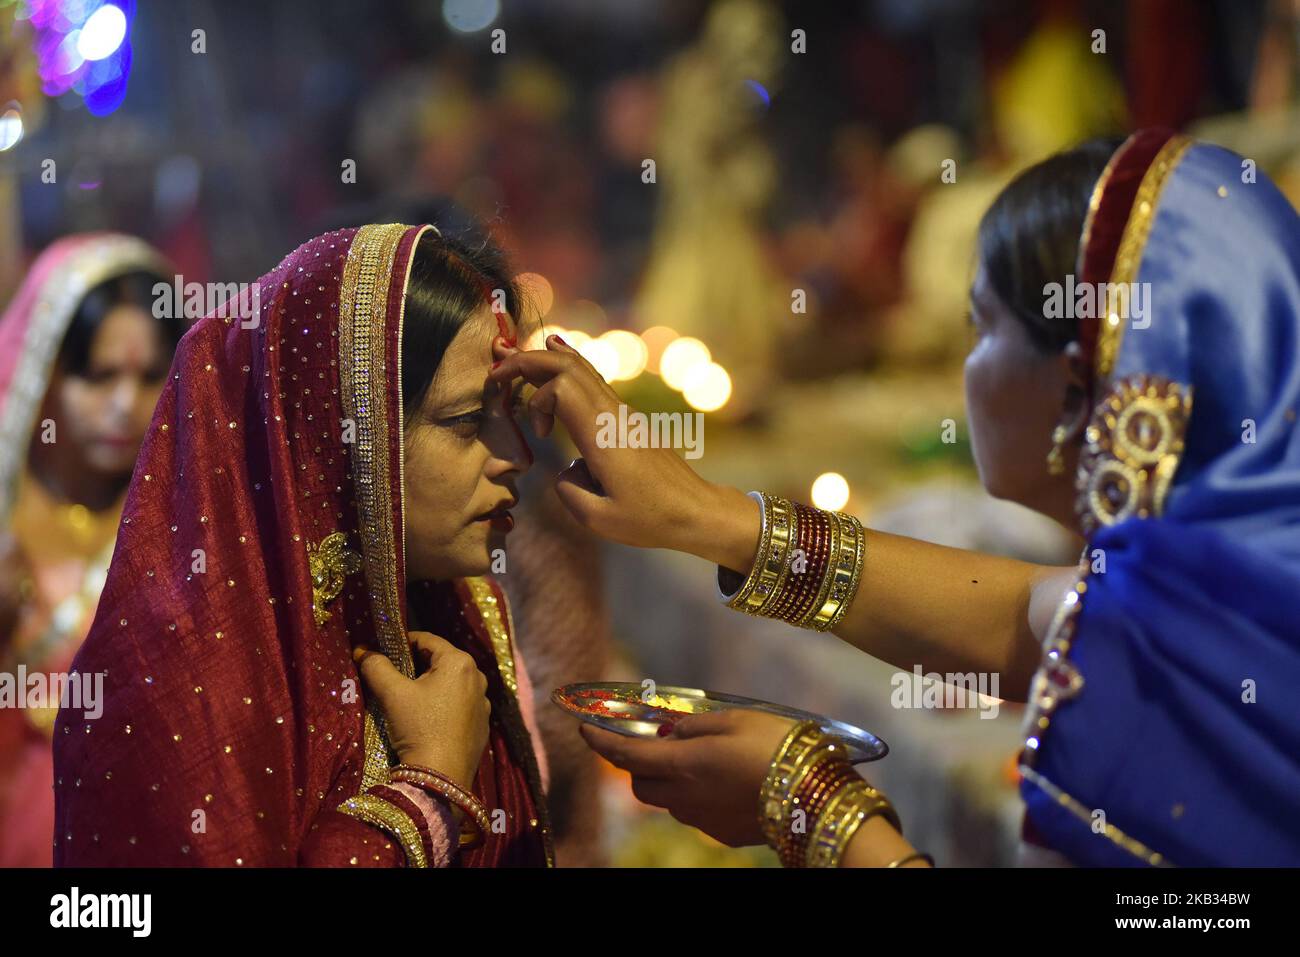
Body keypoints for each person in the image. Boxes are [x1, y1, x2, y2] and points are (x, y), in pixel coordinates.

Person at [488, 129, 1300, 867]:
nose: (963, 367)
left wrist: (803, 801)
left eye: (981, 328)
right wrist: (706, 516)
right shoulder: (1229, 590)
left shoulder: (1164, 668)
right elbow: (1026, 615)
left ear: (1080, 383)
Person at [53, 223, 552, 867]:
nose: (517, 456)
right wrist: (427, 792)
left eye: (511, 413)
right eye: (465, 422)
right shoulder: (174, 676)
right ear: (339, 439)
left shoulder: (453, 609)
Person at [0, 234, 181, 867]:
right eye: (99, 375)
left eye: (150, 375)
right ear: (43, 370)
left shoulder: (181, 524)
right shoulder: (5, 521)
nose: (124, 406)